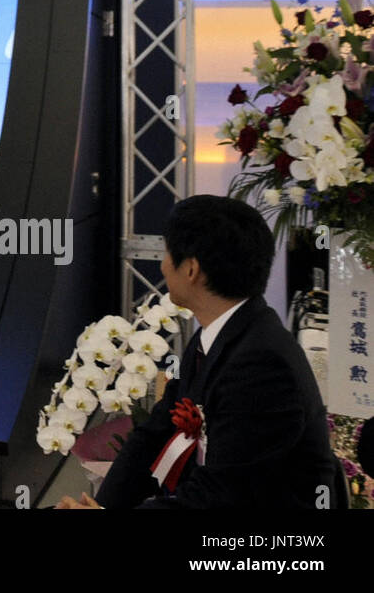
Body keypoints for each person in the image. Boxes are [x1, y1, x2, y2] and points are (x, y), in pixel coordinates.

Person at [58, 194, 337, 509]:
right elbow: (155, 433)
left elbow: (220, 497)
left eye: (166, 252)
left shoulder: (263, 364)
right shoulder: (218, 334)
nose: (162, 265)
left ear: (191, 269)